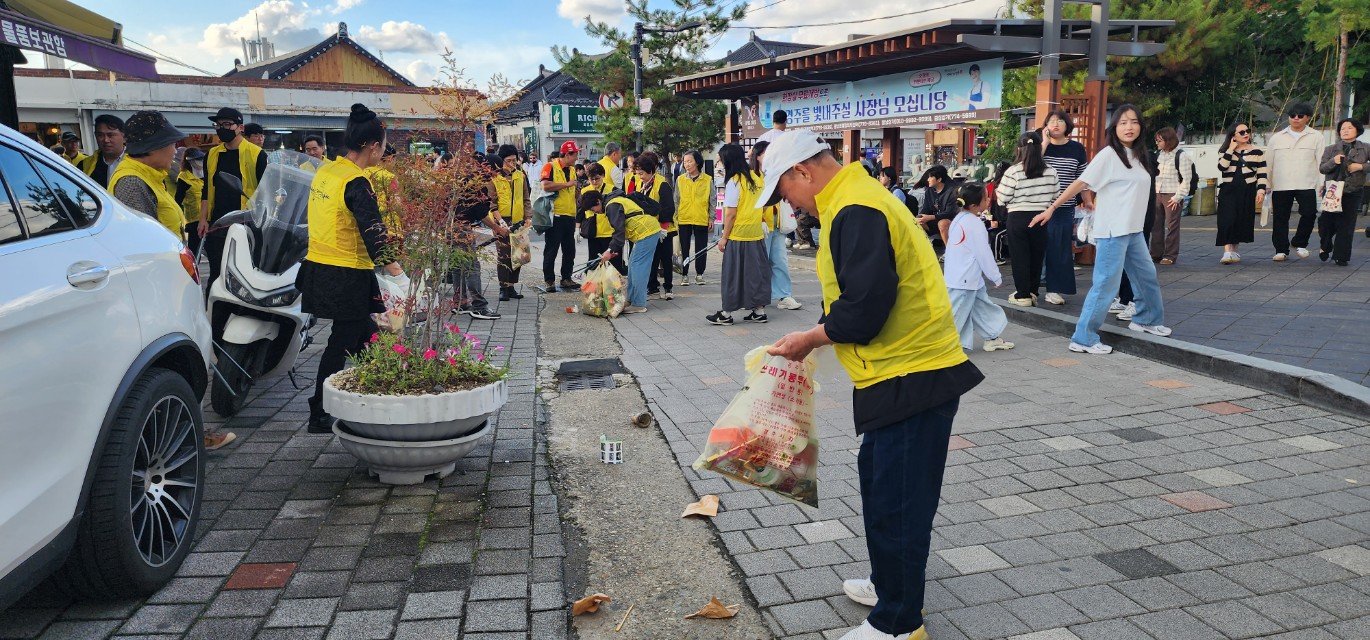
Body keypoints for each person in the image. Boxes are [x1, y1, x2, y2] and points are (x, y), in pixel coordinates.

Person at [759, 129, 984, 640]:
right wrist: (816, 335)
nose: (787, 207)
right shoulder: (852, 201)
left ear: (803, 173)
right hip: (894, 373)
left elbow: (862, 312)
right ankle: (890, 585)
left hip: (912, 373)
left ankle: (899, 622)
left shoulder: (856, 208)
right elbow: (853, 296)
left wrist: (808, 340)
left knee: (899, 502)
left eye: (783, 193)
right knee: (883, 490)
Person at [297, 103, 405, 433]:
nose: (383, 152)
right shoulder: (357, 181)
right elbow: (373, 231)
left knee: (367, 337)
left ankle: (375, 394)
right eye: (383, 146)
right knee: (343, 341)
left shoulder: (327, 171)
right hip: (346, 274)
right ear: (373, 146)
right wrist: (398, 272)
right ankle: (319, 411)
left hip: (321, 266)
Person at [1036, 104, 1171, 354]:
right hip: (1112, 231)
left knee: (1146, 275)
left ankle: (1146, 320)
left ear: (1141, 126)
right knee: (1105, 285)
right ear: (1115, 128)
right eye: (1123, 123)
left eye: (1133, 122)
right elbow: (1080, 182)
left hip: (1133, 230)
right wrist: (1052, 207)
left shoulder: (1140, 155)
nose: (1129, 127)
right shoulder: (1109, 155)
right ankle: (1083, 337)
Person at [198, 107, 267, 288]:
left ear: (240, 127)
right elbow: (206, 189)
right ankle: (215, 313)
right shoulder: (211, 154)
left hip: (247, 223)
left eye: (227, 124)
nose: (222, 128)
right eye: (218, 125)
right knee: (216, 273)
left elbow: (266, 191)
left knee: (245, 274)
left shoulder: (257, 154)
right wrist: (203, 219)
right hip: (217, 223)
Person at [706, 144, 771, 326]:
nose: (720, 164)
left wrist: (724, 237)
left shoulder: (734, 181)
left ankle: (726, 314)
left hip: (738, 235)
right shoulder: (756, 178)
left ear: (728, 161)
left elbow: (731, 213)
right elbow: (764, 205)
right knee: (755, 274)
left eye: (721, 160)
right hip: (756, 234)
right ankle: (759, 311)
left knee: (733, 276)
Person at [945, 182, 1014, 352]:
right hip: (965, 279)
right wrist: (995, 276)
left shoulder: (959, 219)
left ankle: (991, 338)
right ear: (975, 205)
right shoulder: (974, 224)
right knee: (957, 315)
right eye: (985, 197)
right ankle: (946, 347)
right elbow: (983, 253)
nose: (988, 199)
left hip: (961, 276)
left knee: (981, 307)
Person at [998, 131, 1059, 306]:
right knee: (1036, 256)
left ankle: (1022, 295)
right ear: (1040, 148)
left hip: (1017, 217)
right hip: (1041, 217)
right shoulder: (1050, 171)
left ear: (1019, 149)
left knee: (1020, 257)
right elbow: (1056, 196)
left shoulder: (1013, 171)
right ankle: (1033, 292)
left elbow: (1002, 198)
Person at [1038, 109, 1087, 306]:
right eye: (1051, 121)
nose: (1055, 124)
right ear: (1046, 126)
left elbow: (1083, 177)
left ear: (1067, 125)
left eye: (1060, 121)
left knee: (1059, 248)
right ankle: (1030, 287)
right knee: (1037, 247)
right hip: (1039, 206)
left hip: (1064, 208)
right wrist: (1044, 143)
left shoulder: (1077, 148)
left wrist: (1088, 200)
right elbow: (1028, 166)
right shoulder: (1042, 147)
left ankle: (1054, 289)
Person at [589, 189, 660, 315]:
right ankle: (631, 300)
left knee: (638, 268)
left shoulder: (612, 206)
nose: (594, 211)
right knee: (633, 266)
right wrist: (612, 250)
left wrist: (609, 250)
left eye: (592, 208)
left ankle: (639, 304)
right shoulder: (612, 202)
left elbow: (618, 232)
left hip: (646, 232)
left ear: (598, 201)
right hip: (644, 232)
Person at [1266, 102, 1322, 261]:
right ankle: (1280, 249)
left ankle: (1300, 242)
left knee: (1310, 213)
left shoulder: (1316, 136)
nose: (1296, 118)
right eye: (1292, 116)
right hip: (1281, 184)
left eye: (1300, 116)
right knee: (1280, 218)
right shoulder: (1277, 137)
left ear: (1308, 118)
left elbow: (1320, 162)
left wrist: (1322, 184)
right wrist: (1267, 183)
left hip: (1307, 183)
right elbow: (1268, 162)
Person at [752, 142, 802, 310]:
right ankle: (757, 296)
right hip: (760, 224)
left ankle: (784, 295)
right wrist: (759, 220)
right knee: (760, 262)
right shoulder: (752, 176)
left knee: (780, 260)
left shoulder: (778, 172)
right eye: (766, 152)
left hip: (778, 222)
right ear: (758, 156)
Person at [1214, 121, 1268, 264]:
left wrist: (1261, 190)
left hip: (1247, 189)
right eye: (1242, 132)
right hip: (1228, 189)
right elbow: (1222, 167)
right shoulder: (1225, 150)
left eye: (1247, 131)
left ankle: (1235, 251)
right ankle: (1227, 251)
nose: (1246, 134)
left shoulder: (1257, 151)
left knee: (1241, 219)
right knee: (1227, 219)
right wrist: (1231, 148)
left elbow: (1262, 173)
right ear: (1233, 135)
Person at [1318, 118, 1368, 266]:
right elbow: (1322, 168)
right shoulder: (1330, 149)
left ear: (1357, 130)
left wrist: (1361, 167)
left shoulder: (1366, 148)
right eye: (1342, 128)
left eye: (1349, 128)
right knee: (1325, 221)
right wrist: (1334, 161)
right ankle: (1326, 246)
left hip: (1353, 190)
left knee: (1346, 225)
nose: (1345, 131)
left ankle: (1341, 256)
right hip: (1333, 191)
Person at [633, 152, 677, 301]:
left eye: (642, 173)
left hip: (664, 229)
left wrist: (663, 227)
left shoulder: (662, 184)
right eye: (638, 173)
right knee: (651, 259)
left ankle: (668, 287)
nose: (640, 177)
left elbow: (668, 208)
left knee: (665, 259)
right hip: (649, 229)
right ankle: (652, 287)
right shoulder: (641, 183)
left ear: (651, 171)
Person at [540, 141, 581, 291]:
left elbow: (572, 188)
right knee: (552, 249)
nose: (577, 158)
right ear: (567, 154)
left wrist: (576, 191)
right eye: (575, 154)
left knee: (569, 249)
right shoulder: (550, 166)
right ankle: (549, 280)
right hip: (555, 215)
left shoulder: (572, 170)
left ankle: (566, 278)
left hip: (570, 214)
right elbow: (545, 185)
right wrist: (567, 184)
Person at [492, 144, 531, 299]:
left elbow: (526, 199)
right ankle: (503, 287)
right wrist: (498, 221)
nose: (512, 164)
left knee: (518, 254)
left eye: (515, 160)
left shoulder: (520, 175)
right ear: (501, 161)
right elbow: (491, 201)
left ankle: (512, 286)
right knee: (503, 254)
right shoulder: (495, 177)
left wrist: (528, 217)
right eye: (508, 160)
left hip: (519, 219)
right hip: (501, 219)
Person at [1151, 127, 1194, 264]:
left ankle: (1170, 255)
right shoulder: (1159, 154)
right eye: (1156, 140)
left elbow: (1187, 179)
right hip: (1157, 192)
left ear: (1168, 140)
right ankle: (1155, 254)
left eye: (1159, 140)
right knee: (1155, 225)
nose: (1157, 143)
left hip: (1172, 193)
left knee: (1172, 225)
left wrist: (1177, 197)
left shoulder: (1181, 155)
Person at [675, 149, 713, 286]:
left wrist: (711, 218)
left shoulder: (708, 179)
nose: (687, 164)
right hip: (684, 217)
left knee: (701, 248)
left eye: (690, 161)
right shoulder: (680, 180)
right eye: (685, 162)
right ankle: (684, 275)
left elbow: (712, 200)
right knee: (684, 248)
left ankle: (699, 274)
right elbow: (676, 200)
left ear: (697, 162)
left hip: (701, 217)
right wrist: (675, 218)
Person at [581, 167, 625, 275]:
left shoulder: (613, 190)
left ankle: (614, 289)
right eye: (592, 179)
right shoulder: (584, 191)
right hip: (594, 232)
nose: (595, 182)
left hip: (610, 233)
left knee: (614, 265)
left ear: (603, 176)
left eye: (597, 178)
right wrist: (578, 228)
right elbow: (580, 211)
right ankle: (596, 289)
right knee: (595, 264)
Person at [76, 114, 126, 188]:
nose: (106, 140)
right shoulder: (85, 165)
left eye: (110, 135)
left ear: (124, 137)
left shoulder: (138, 161)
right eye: (100, 135)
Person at [914, 165, 956, 244]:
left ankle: (950, 252)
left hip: (950, 221)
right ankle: (926, 248)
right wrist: (920, 217)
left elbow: (950, 213)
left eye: (930, 177)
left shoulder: (952, 191)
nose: (928, 179)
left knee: (942, 223)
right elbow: (925, 209)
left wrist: (930, 217)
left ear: (939, 179)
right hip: (934, 221)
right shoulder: (929, 191)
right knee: (917, 220)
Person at [176, 148, 206, 247]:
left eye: (202, 159)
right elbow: (178, 199)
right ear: (190, 161)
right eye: (198, 160)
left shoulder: (206, 173)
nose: (200, 162)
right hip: (194, 219)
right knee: (194, 247)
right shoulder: (184, 177)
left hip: (207, 216)